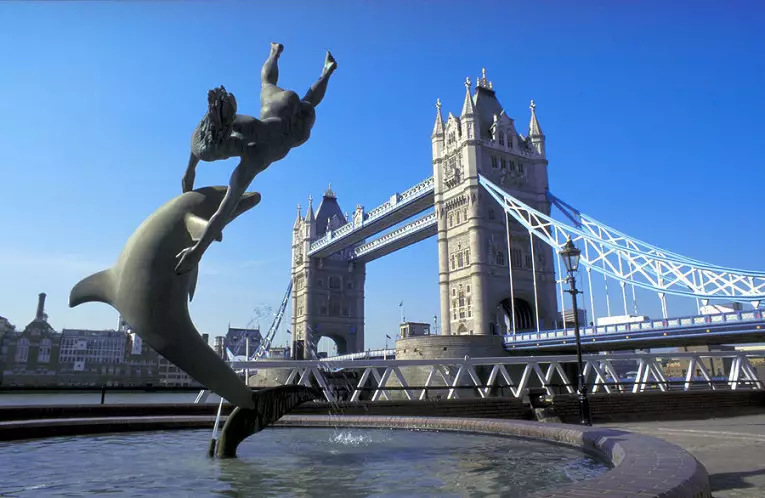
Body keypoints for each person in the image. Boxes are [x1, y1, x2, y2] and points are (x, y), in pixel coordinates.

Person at [176, 43, 336, 274]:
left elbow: (224, 210)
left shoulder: (254, 158)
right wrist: (190, 171)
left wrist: (198, 251)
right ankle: (285, 56)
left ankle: (317, 68)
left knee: (299, 98)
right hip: (285, 115)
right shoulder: (252, 144)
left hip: (290, 127)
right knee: (270, 86)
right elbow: (217, 202)